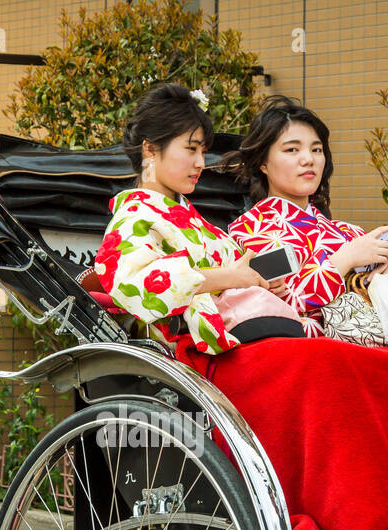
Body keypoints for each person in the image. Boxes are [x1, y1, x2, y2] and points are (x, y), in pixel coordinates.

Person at [95, 83, 288, 354]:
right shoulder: (132, 219)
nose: (200, 162)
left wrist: (256, 278)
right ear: (150, 150)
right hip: (195, 354)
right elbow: (135, 285)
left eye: (203, 151)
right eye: (190, 149)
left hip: (247, 336)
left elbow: (232, 275)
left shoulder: (187, 215)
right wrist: (228, 278)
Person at [224, 95, 388, 332]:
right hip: (309, 354)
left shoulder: (349, 232)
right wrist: (346, 258)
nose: (308, 159)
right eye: (292, 149)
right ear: (263, 163)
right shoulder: (248, 229)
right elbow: (287, 303)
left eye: (316, 149)